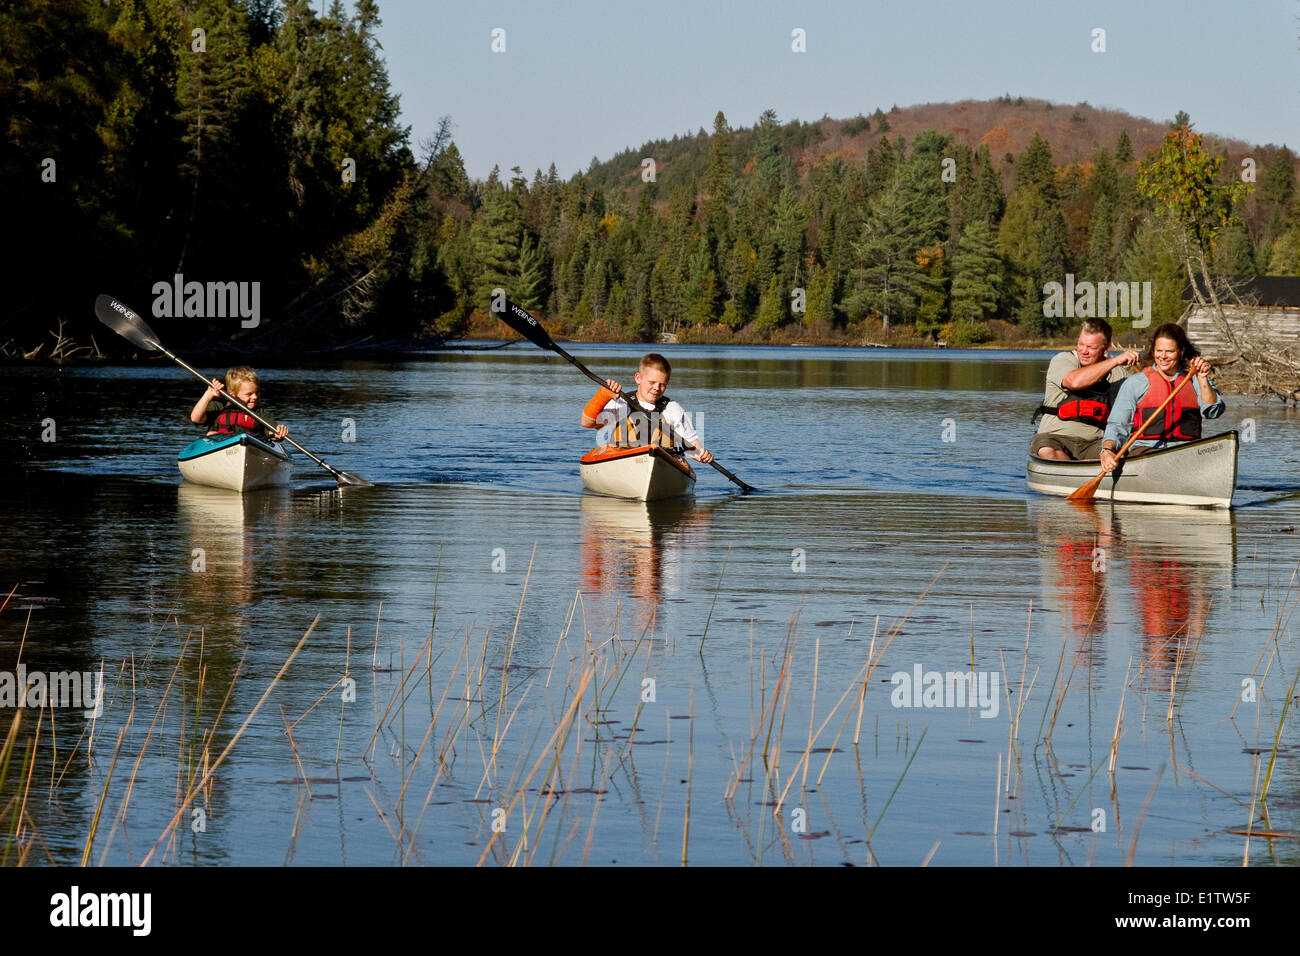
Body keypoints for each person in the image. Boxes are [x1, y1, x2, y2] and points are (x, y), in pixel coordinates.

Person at [1099, 323, 1224, 474]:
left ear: (1181, 351)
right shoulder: (1136, 383)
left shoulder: (1195, 378)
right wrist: (1107, 451)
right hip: (1145, 449)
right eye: (1159, 351)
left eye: (1170, 351)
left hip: (1187, 449)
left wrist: (1203, 378)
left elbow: (1213, 411)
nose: (1163, 356)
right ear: (1153, 351)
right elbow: (1117, 426)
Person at [1032, 318, 1140, 460]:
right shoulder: (1063, 360)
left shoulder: (1120, 374)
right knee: (1047, 451)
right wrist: (1115, 360)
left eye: (1091, 348)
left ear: (1105, 348)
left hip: (1095, 443)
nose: (1084, 351)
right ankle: (1070, 474)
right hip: (1054, 439)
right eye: (1081, 344)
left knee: (1119, 453)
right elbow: (1074, 382)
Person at [579, 353, 713, 464]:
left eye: (662, 384)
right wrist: (603, 395)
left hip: (663, 465)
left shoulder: (673, 409)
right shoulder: (621, 403)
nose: (656, 388)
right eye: (652, 382)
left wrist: (701, 454)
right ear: (638, 378)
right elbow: (587, 423)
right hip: (621, 460)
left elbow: (692, 446)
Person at [188, 365, 290, 442]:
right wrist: (208, 395)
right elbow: (195, 418)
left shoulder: (260, 413)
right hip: (219, 446)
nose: (255, 397)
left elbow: (273, 433)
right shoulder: (219, 407)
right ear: (232, 394)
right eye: (249, 394)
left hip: (251, 447)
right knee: (211, 434)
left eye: (257, 392)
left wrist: (278, 432)